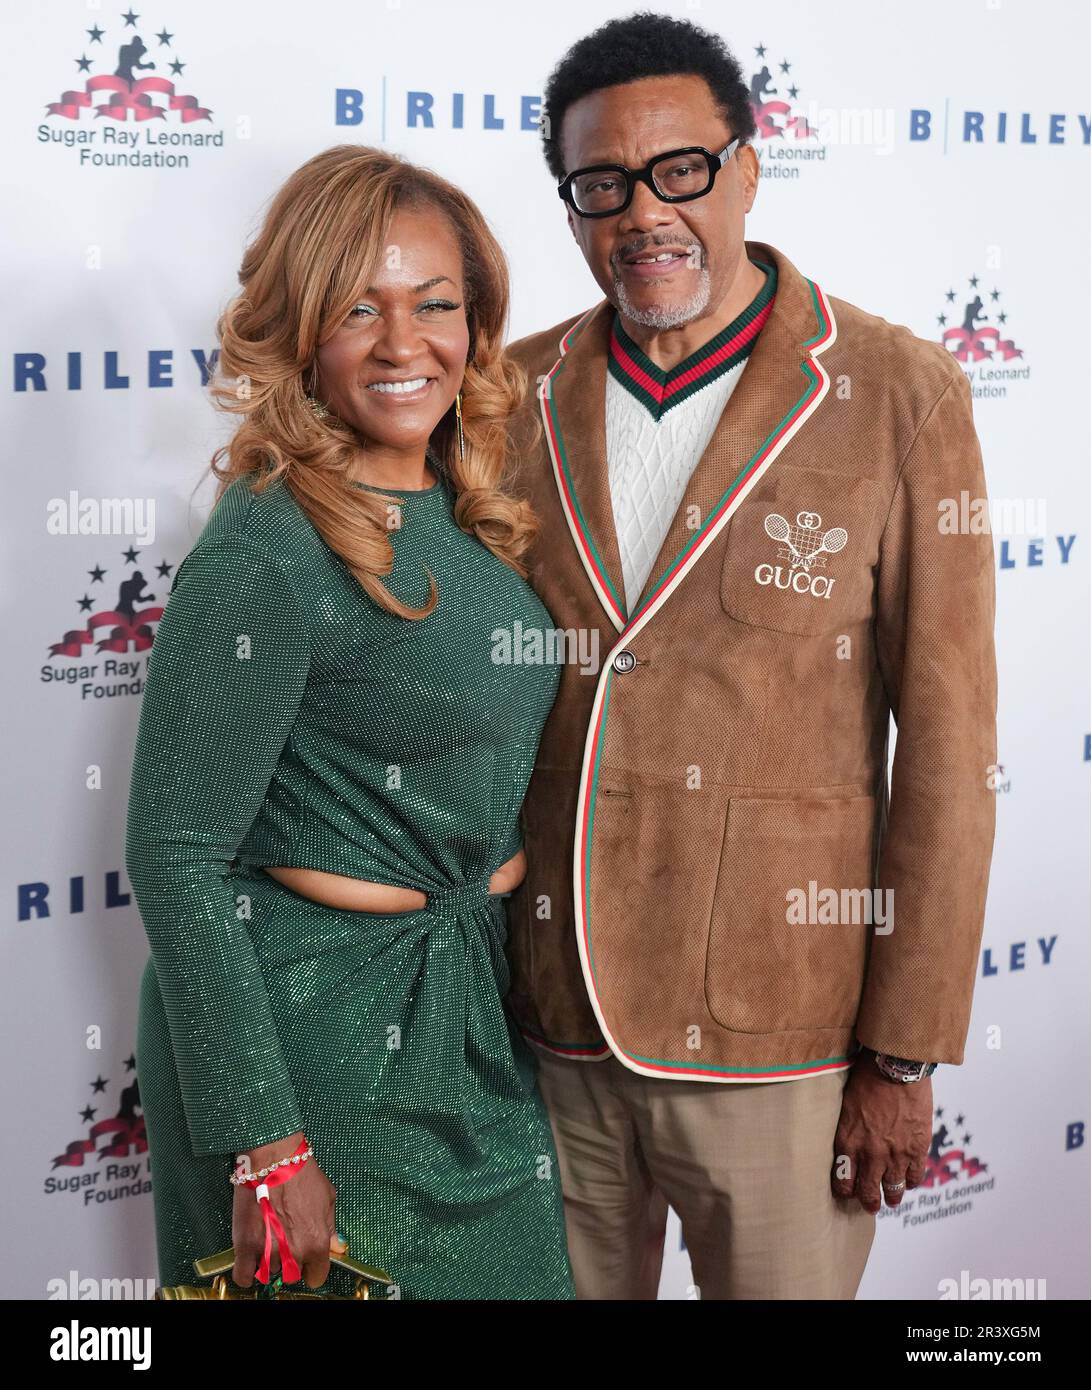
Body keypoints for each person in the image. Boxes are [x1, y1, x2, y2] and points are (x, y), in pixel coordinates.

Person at [503, 13, 997, 1299]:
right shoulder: (500, 397)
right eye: (600, 185)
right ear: (568, 207)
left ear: (747, 167)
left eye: (680, 169)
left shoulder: (899, 393)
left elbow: (949, 749)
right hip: (546, 1029)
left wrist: (901, 1057)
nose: (643, 213)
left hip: (781, 1045)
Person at [125, 144, 575, 1300]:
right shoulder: (267, 548)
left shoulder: (466, 508)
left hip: (460, 1014)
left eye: (435, 305)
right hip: (315, 1038)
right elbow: (175, 853)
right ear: (298, 333)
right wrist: (266, 1142)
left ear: (475, 325)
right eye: (354, 310)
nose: (400, 342)